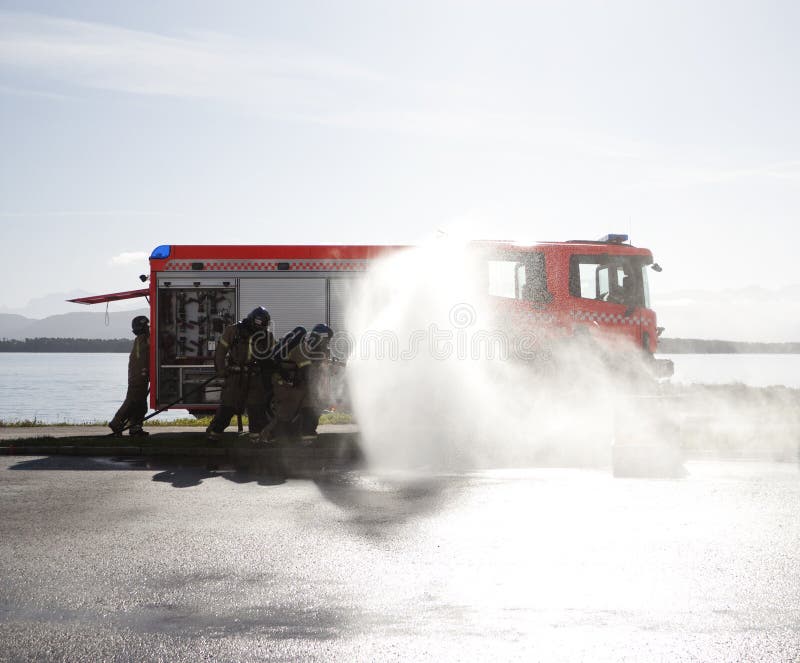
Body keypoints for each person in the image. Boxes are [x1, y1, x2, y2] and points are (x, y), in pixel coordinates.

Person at [206, 306, 275, 442]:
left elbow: (272, 356)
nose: (262, 330)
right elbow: (220, 352)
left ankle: (255, 437)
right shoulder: (233, 331)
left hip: (256, 377)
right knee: (228, 406)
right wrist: (221, 369)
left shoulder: (267, 336)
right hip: (236, 377)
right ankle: (214, 433)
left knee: (256, 408)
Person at [268, 323, 335, 442]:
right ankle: (269, 436)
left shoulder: (313, 350)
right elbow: (306, 372)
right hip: (286, 385)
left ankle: (305, 436)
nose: (327, 344)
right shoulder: (303, 349)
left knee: (306, 408)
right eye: (326, 340)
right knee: (287, 413)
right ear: (319, 338)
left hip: (295, 385)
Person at [109, 315, 151, 437]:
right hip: (138, 377)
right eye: (147, 326)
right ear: (142, 327)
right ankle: (116, 422)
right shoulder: (143, 340)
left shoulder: (141, 340)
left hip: (140, 376)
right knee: (133, 401)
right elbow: (143, 357)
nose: (149, 328)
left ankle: (135, 427)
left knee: (141, 404)